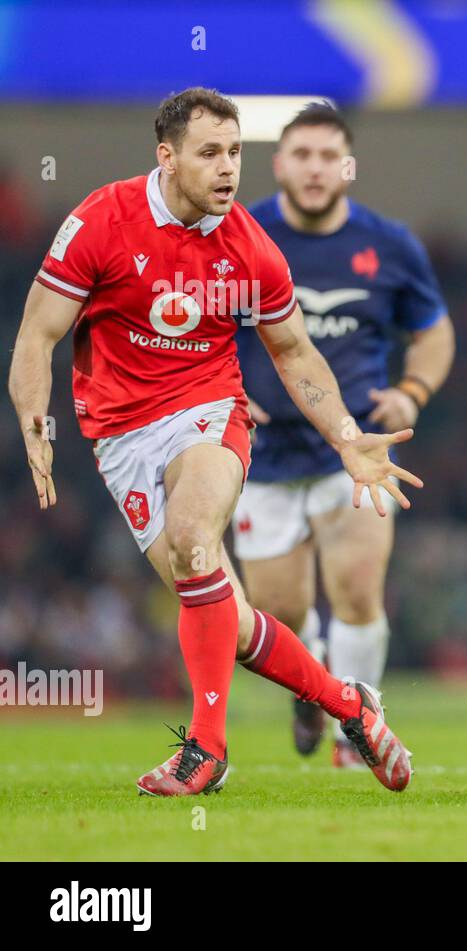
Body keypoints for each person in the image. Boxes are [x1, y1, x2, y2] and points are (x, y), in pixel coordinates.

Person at [8, 88, 418, 796]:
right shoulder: (102, 221)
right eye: (210, 154)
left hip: (209, 410)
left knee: (198, 537)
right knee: (221, 612)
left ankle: (206, 750)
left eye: (235, 152)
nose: (229, 169)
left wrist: (348, 437)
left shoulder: (248, 247)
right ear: (166, 158)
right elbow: (37, 335)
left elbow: (294, 353)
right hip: (119, 434)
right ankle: (352, 705)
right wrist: (34, 420)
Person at [233, 103, 453, 766]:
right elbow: (194, 319)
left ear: (348, 167)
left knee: (358, 585)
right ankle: (312, 684)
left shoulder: (388, 244)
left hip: (352, 448)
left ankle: (358, 733)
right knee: (277, 611)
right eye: (302, 154)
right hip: (261, 450)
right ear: (279, 165)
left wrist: (412, 391)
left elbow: (435, 329)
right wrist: (224, 387)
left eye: (329, 156)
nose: (315, 168)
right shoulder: (241, 232)